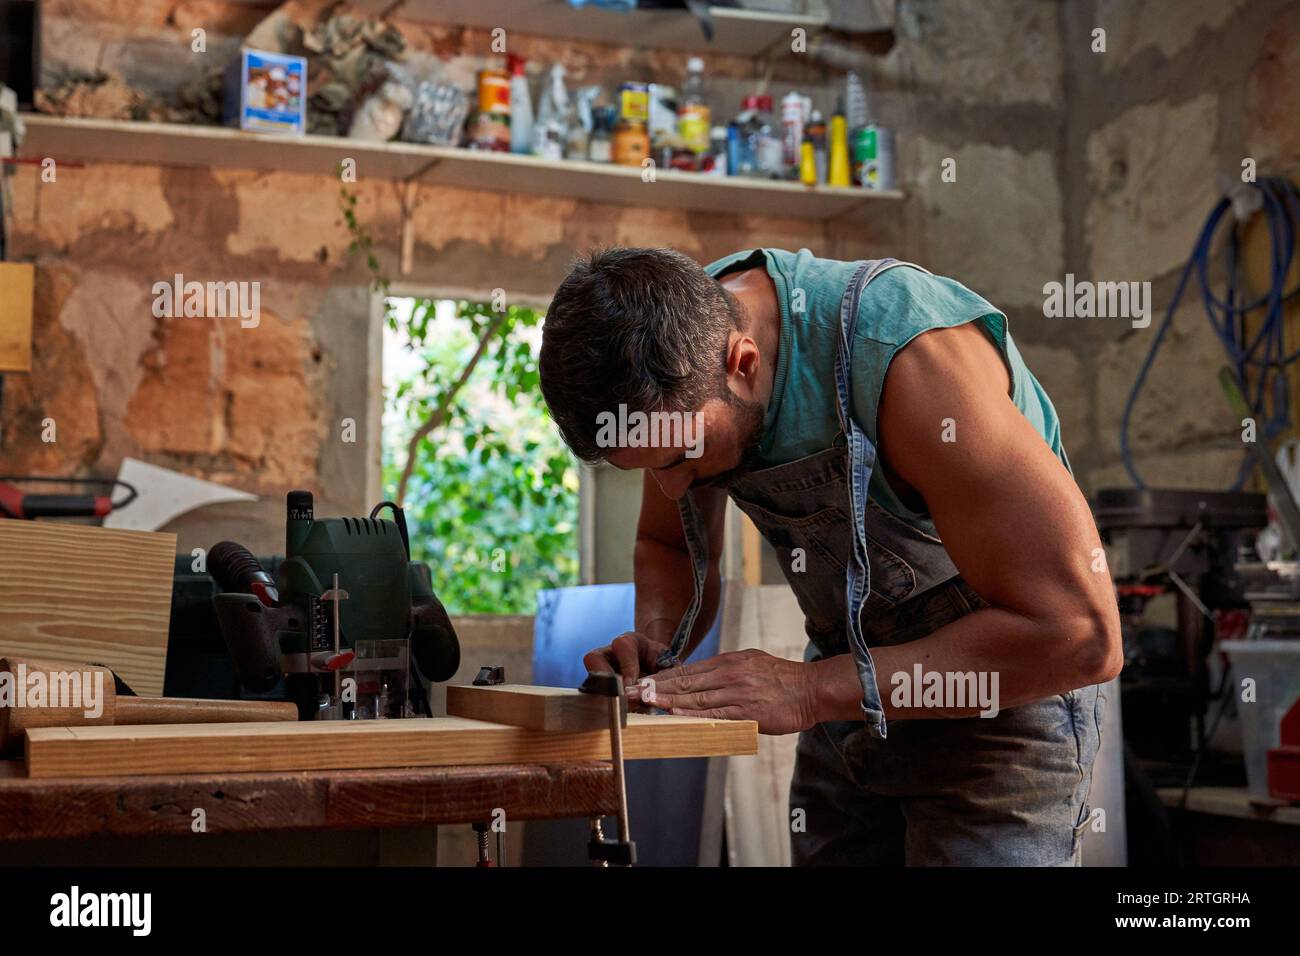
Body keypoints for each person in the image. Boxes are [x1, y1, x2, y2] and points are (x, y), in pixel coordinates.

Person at [538, 246, 1121, 866]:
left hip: (999, 699)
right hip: (851, 695)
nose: (674, 488)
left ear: (742, 362)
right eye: (649, 469)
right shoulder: (675, 351)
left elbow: (1082, 635)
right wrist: (660, 644)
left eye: (681, 458)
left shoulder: (911, 358)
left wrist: (813, 691)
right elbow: (666, 545)